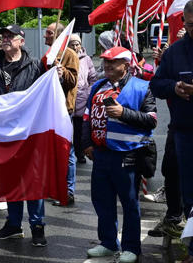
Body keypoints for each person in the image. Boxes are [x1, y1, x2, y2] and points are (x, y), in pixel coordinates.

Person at [83, 47, 157, 263]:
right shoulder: (98, 86)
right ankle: (107, 243)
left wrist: (123, 113)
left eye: (112, 62)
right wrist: (87, 143)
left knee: (129, 202)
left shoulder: (142, 87)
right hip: (101, 155)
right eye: (105, 62)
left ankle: (131, 247)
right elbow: (87, 117)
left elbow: (151, 119)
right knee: (102, 200)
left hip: (127, 155)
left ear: (125, 65)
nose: (107, 66)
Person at [0, 24, 46, 247]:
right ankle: (13, 225)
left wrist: (56, 76)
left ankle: (37, 227)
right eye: (3, 36)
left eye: (10, 36)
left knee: (32, 180)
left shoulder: (34, 65)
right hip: (1, 134)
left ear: (21, 41)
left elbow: (48, 94)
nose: (5, 39)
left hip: (28, 133)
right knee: (10, 180)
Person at [150, 0, 193, 261]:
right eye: (190, 25)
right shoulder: (175, 51)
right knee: (190, 194)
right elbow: (156, 84)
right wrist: (174, 87)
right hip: (184, 133)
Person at [43, 22, 79, 207]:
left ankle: (68, 191)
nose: (45, 36)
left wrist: (61, 70)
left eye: (48, 33)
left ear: (57, 34)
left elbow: (73, 81)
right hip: (50, 108)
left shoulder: (69, 54)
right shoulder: (49, 55)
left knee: (68, 149)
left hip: (64, 108)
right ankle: (57, 187)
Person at [70, 34, 97, 164]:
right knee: (69, 129)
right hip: (68, 100)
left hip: (82, 98)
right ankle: (70, 152)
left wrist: (89, 92)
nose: (75, 47)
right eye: (72, 44)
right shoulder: (65, 57)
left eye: (77, 44)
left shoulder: (86, 59)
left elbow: (93, 77)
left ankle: (80, 153)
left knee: (80, 129)